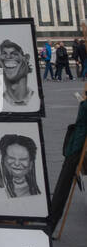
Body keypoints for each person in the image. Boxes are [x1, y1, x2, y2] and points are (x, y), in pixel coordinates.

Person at [48, 87, 87, 230]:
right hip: (77, 145)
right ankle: (52, 220)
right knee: (64, 182)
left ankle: (52, 219)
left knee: (64, 182)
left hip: (77, 144)